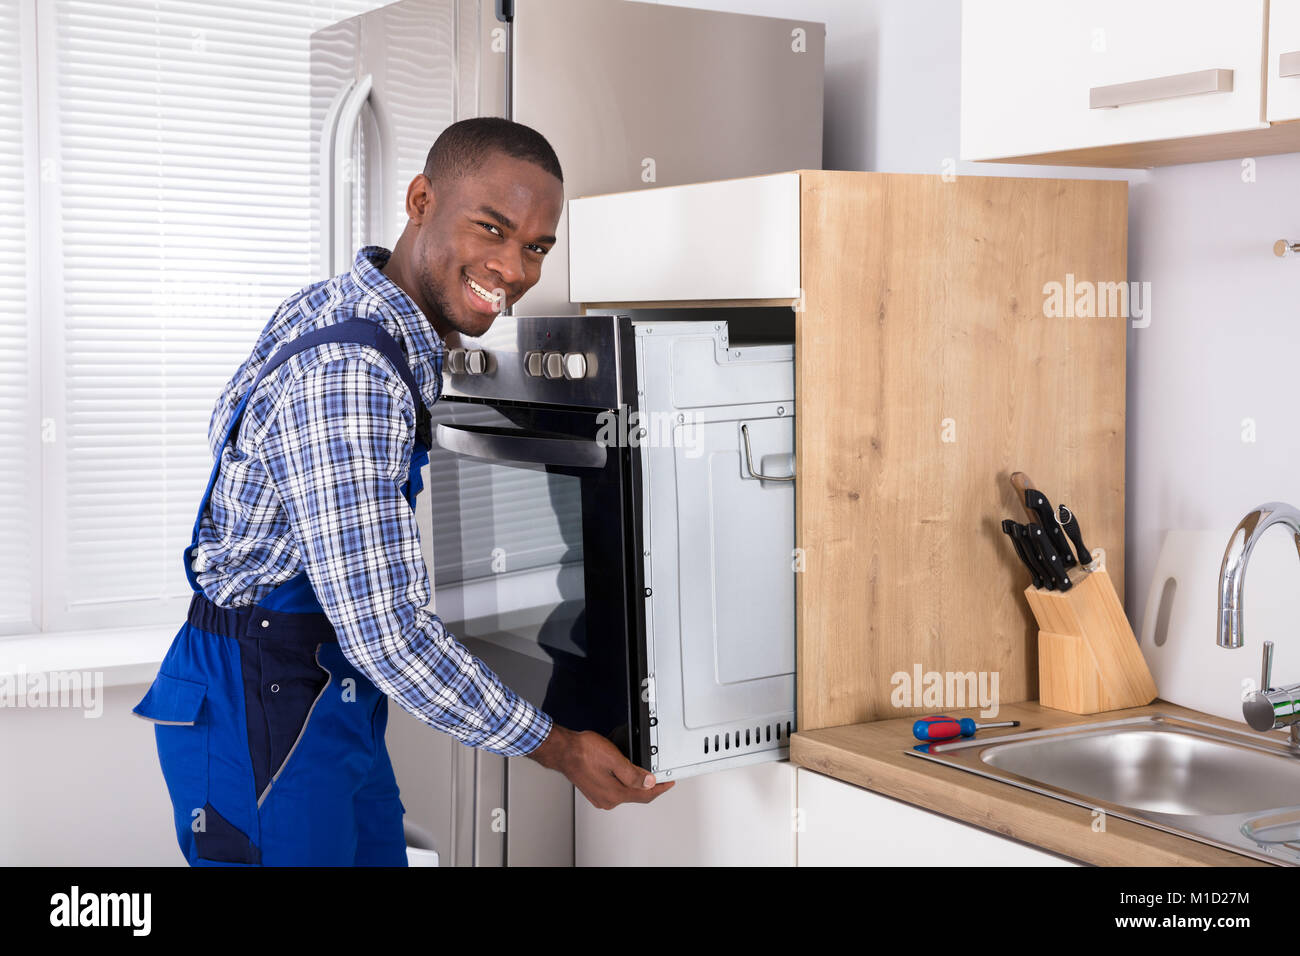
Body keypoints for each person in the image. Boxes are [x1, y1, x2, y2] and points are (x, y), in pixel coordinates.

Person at [132, 117, 673, 867]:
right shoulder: (354, 375)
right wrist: (558, 748)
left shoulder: (354, 312)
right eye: (492, 228)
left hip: (320, 693)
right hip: (262, 703)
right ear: (422, 199)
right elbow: (385, 634)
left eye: (536, 247)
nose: (512, 269)